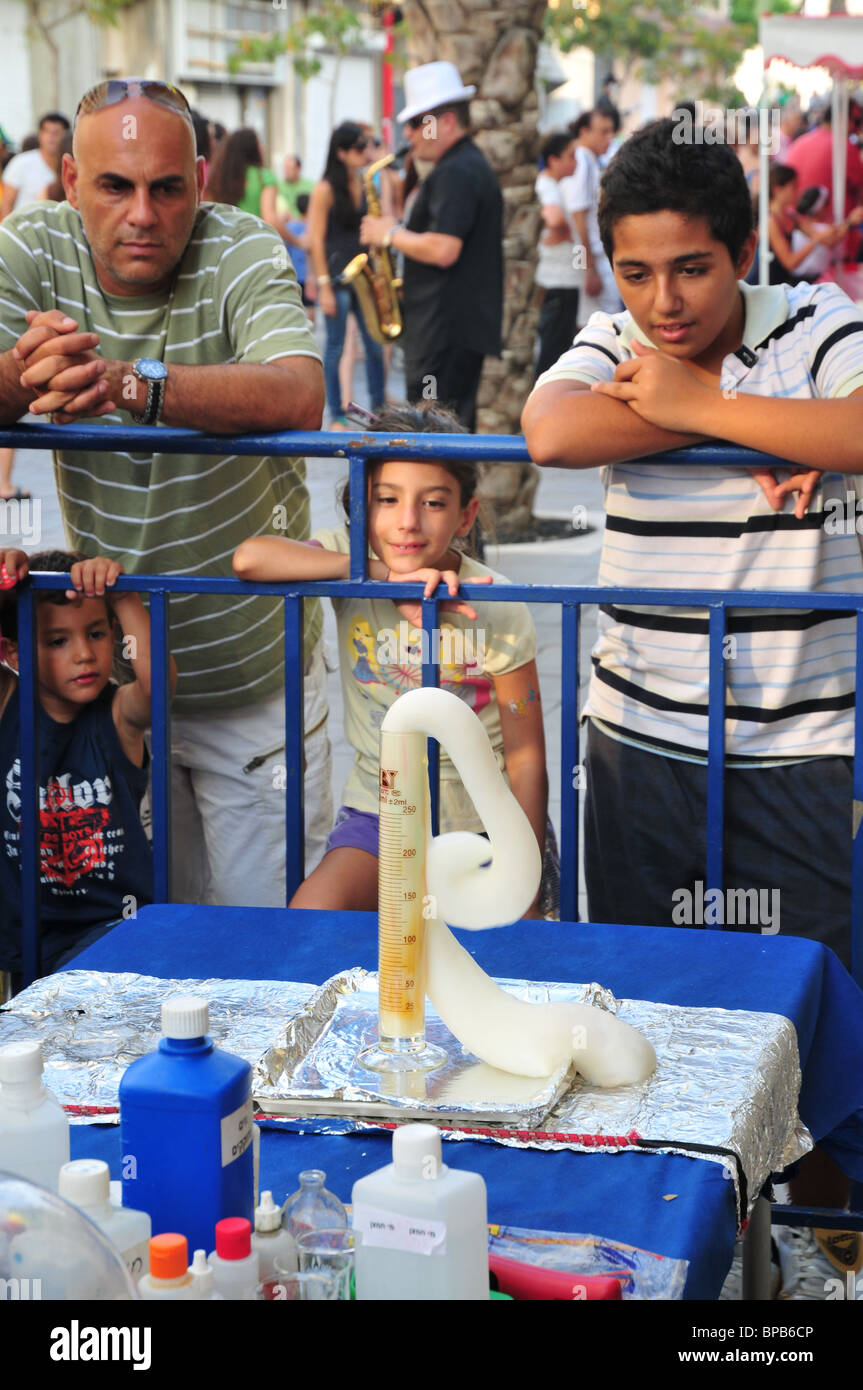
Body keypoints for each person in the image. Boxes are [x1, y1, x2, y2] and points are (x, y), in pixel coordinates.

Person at [522, 115, 863, 1289]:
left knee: (810, 1008)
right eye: (636, 269)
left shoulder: (816, 326)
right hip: (639, 743)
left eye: (692, 268)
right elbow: (551, 427)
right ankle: (684, 1246)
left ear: (743, 249)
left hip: (799, 754)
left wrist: (693, 402)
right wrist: (732, 412)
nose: (661, 301)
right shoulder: (606, 337)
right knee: (647, 1007)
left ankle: (814, 1246)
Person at [0, 76, 330, 910]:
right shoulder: (33, 245)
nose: (142, 213)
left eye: (166, 187)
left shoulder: (242, 245)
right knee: (151, 960)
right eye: (115, 185)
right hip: (119, 702)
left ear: (201, 183)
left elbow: (297, 392)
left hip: (254, 686)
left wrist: (124, 384)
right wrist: (27, 375)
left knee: (268, 955)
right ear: (71, 180)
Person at [233, 401, 559, 918]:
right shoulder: (349, 562)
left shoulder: (494, 601)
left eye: (433, 503)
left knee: (501, 965)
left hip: (483, 823)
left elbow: (525, 756)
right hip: (379, 813)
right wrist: (375, 577)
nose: (407, 522)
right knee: (309, 922)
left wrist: (524, 873)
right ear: (363, 505)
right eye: (386, 499)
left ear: (465, 515)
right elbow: (250, 558)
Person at [0, 548, 175, 988]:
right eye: (57, 641)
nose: (84, 654)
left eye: (96, 634)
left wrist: (121, 597)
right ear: (14, 653)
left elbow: (159, 686)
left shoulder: (117, 714)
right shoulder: (7, 704)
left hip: (116, 928)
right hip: (29, 935)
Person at [359, 61, 503, 431]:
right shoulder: (462, 165)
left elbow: (444, 249)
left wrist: (389, 233)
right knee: (439, 435)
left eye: (416, 123)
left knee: (432, 437)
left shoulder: (456, 171)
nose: (408, 133)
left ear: (447, 122)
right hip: (447, 331)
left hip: (444, 333)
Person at [308, 122, 385, 428]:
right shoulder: (324, 188)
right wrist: (324, 285)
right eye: (358, 147)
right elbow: (315, 239)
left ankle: (380, 410)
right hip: (338, 277)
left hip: (364, 275)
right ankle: (336, 414)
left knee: (376, 345)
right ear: (341, 153)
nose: (365, 152)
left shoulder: (365, 182)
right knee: (336, 346)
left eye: (367, 145)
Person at [564, 108, 620, 323]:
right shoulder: (581, 161)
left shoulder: (590, 160)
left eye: (611, 131)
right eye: (603, 131)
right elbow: (577, 218)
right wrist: (587, 270)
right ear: (584, 131)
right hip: (592, 259)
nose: (609, 137)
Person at [534, 131, 581, 380]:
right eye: (571, 156)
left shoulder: (551, 186)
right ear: (553, 160)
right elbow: (554, 218)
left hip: (561, 281)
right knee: (553, 355)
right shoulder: (547, 186)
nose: (576, 162)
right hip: (558, 282)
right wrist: (562, 232)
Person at [204, 127, 281, 233]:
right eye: (259, 144)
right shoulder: (264, 177)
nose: (264, 148)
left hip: (224, 240)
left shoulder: (217, 178)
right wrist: (297, 242)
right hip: (255, 240)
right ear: (251, 149)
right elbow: (271, 220)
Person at [0, 111, 69, 218]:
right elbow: (7, 206)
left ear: (66, 135)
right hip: (22, 231)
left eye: (56, 132)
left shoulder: (70, 165)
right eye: (47, 131)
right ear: (40, 134)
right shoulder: (21, 162)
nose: (51, 137)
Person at [276, 153, 313, 222]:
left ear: (298, 169)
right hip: (284, 226)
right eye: (285, 168)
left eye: (289, 168)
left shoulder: (311, 186)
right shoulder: (277, 187)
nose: (286, 171)